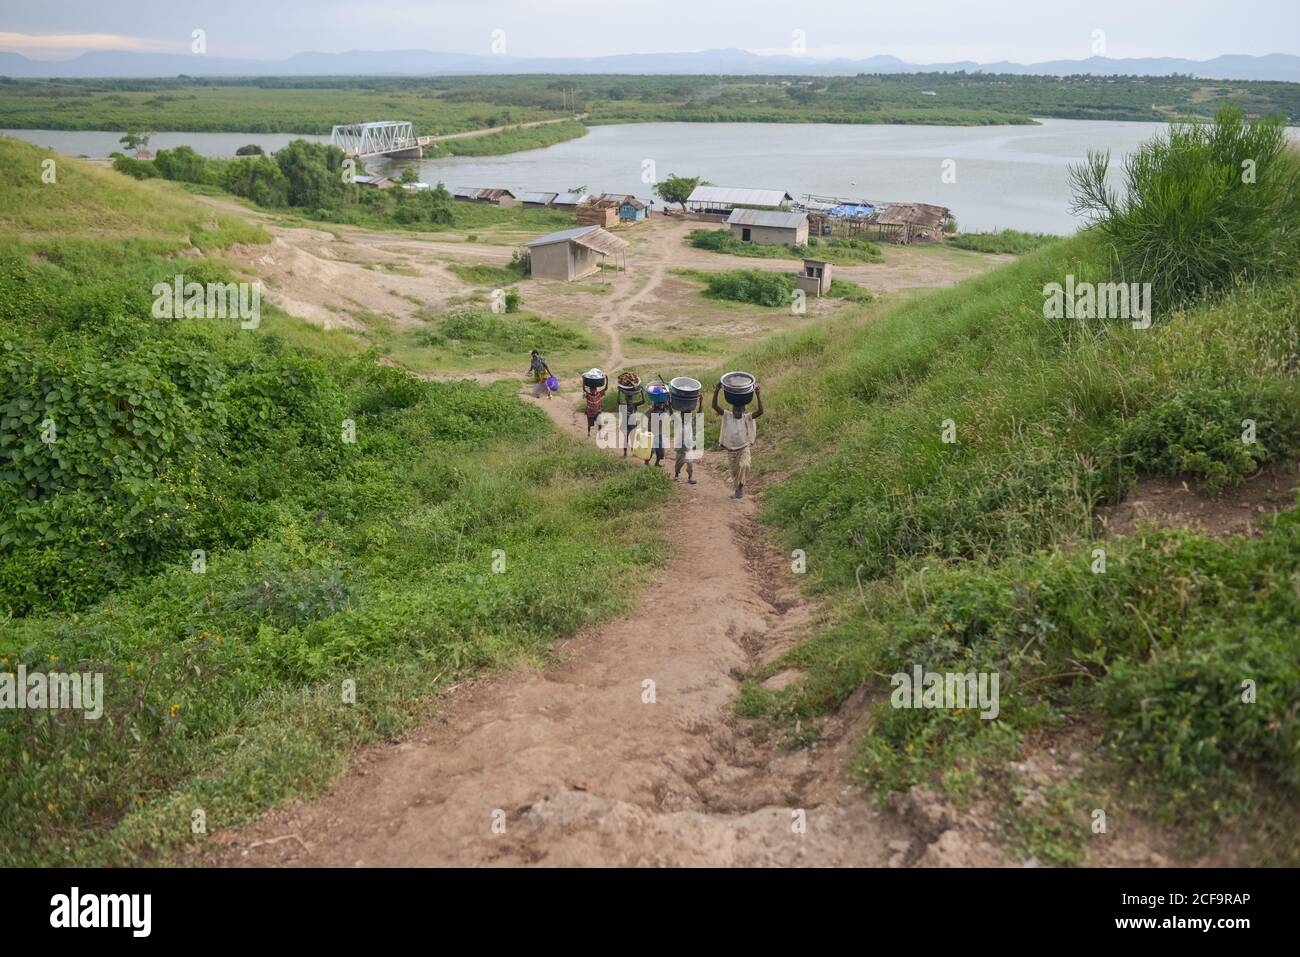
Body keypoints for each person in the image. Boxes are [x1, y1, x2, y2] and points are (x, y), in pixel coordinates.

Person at [712, 381, 763, 499]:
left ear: (744, 410)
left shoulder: (747, 417)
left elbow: (760, 412)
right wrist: (717, 390)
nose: (736, 412)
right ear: (732, 409)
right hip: (731, 451)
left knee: (745, 465)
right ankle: (737, 489)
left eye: (739, 410)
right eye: (735, 410)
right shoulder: (727, 415)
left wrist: (758, 395)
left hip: (744, 448)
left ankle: (740, 487)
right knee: (735, 474)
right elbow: (714, 406)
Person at [672, 392, 704, 485]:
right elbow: (671, 413)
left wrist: (701, 402)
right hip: (680, 447)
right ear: (681, 415)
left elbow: (699, 413)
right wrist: (669, 402)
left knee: (689, 461)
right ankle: (677, 474)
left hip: (688, 446)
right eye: (683, 414)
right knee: (678, 463)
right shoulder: (677, 422)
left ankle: (690, 477)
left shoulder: (691, 422)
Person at [646, 389, 670, 468]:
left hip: (659, 432)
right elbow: (645, 415)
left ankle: (657, 462)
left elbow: (669, 408)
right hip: (651, 431)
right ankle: (646, 462)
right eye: (660, 404)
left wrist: (668, 399)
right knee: (650, 449)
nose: (661, 405)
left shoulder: (664, 410)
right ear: (656, 404)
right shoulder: (652, 410)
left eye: (662, 404)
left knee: (660, 449)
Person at [582, 369, 607, 437]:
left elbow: (606, 388)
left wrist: (606, 378)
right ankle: (589, 433)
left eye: (595, 389)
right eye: (592, 390)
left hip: (597, 412)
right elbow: (584, 389)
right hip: (590, 412)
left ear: (596, 390)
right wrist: (583, 379)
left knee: (600, 424)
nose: (594, 391)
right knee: (589, 424)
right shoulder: (588, 395)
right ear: (590, 390)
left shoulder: (599, 394)